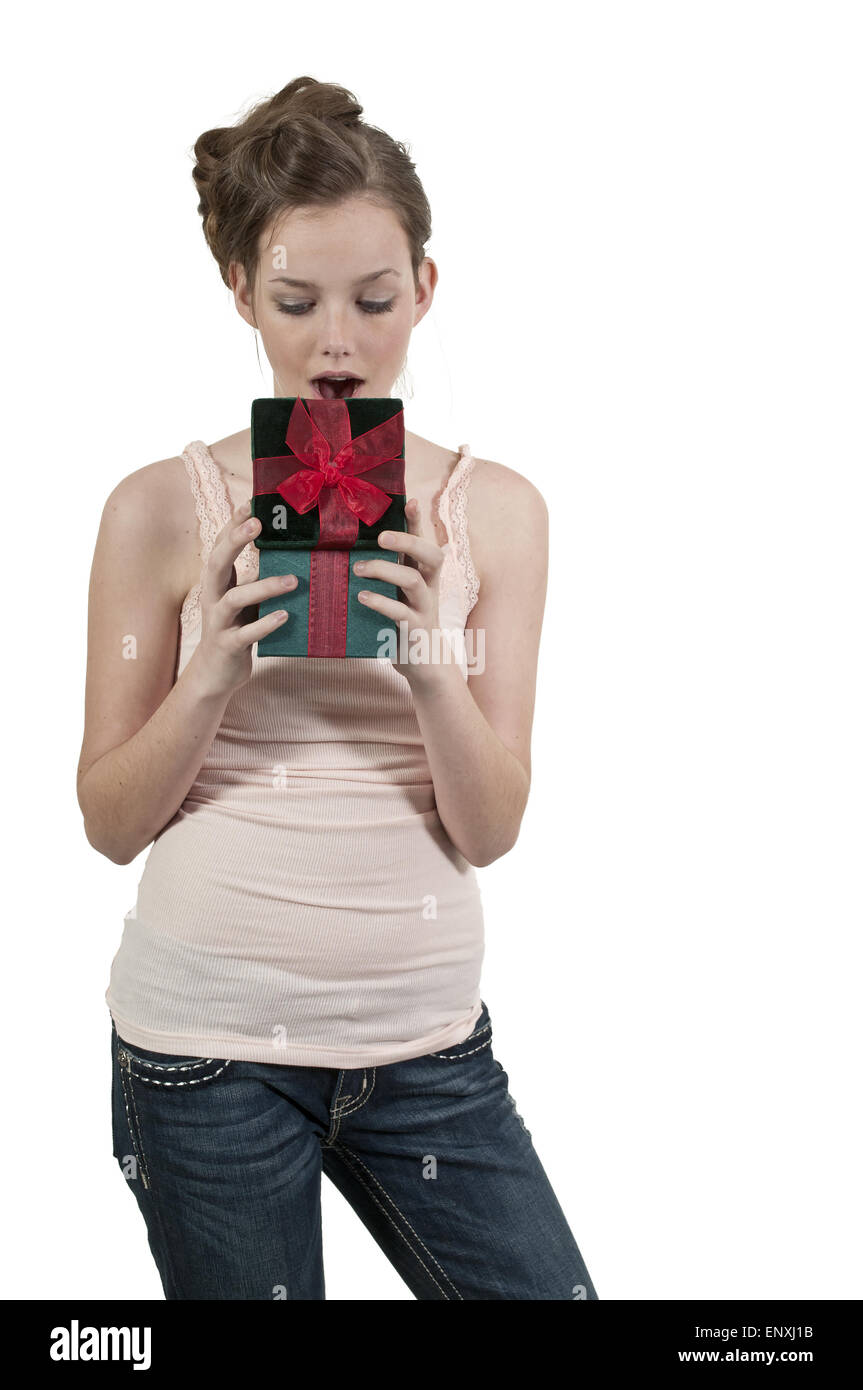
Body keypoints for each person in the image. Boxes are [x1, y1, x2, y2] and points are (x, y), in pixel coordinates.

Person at [77, 74, 598, 1301]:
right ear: (240, 295)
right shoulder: (157, 507)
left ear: (424, 287)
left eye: (373, 301)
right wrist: (211, 665)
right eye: (295, 302)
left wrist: (429, 672)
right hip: (202, 1055)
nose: (335, 345)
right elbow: (105, 824)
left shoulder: (501, 514)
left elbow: (491, 827)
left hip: (426, 1050)